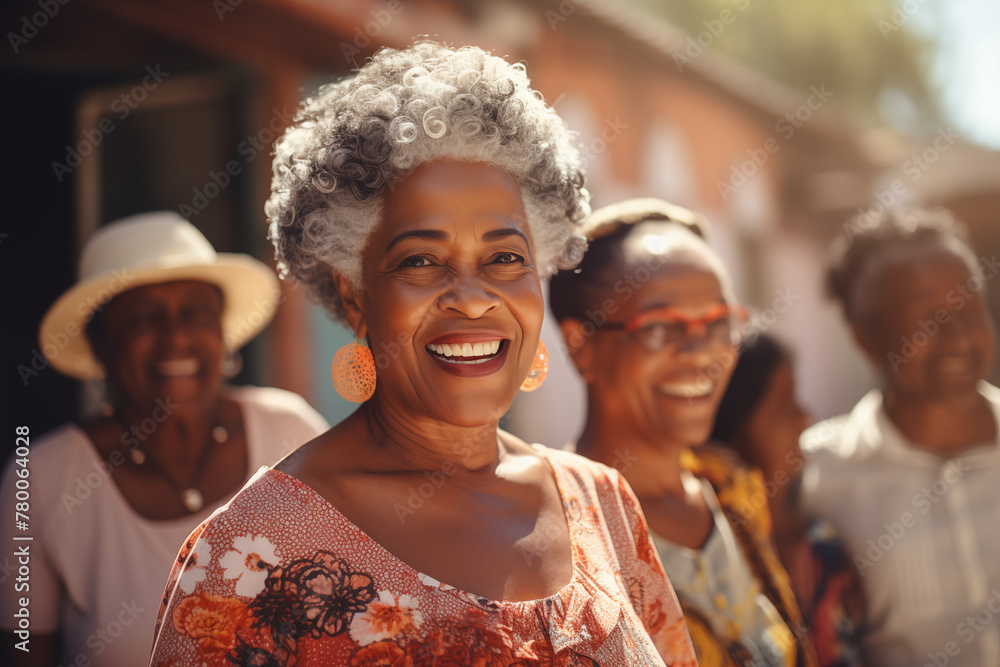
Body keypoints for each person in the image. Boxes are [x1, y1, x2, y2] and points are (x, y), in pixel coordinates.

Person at [148, 43, 697, 666]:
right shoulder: (252, 553)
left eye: (504, 258)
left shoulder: (603, 503)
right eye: (420, 261)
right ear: (354, 296)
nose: (471, 299)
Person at [0, 211, 330, 667]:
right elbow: (21, 652)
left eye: (195, 314)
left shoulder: (289, 431)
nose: (176, 338)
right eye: (144, 320)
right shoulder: (40, 478)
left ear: (221, 334)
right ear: (101, 347)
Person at [551, 198, 819, 666]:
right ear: (581, 345)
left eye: (718, 323)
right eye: (660, 327)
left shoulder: (731, 491)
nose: (701, 352)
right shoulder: (556, 535)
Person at [799, 206, 1000, 666]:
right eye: (929, 319)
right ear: (866, 339)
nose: (961, 336)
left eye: (971, 307)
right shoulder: (814, 478)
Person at [711, 333, 866, 666]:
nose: (804, 417)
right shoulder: (708, 553)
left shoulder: (822, 550)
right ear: (735, 427)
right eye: (785, 406)